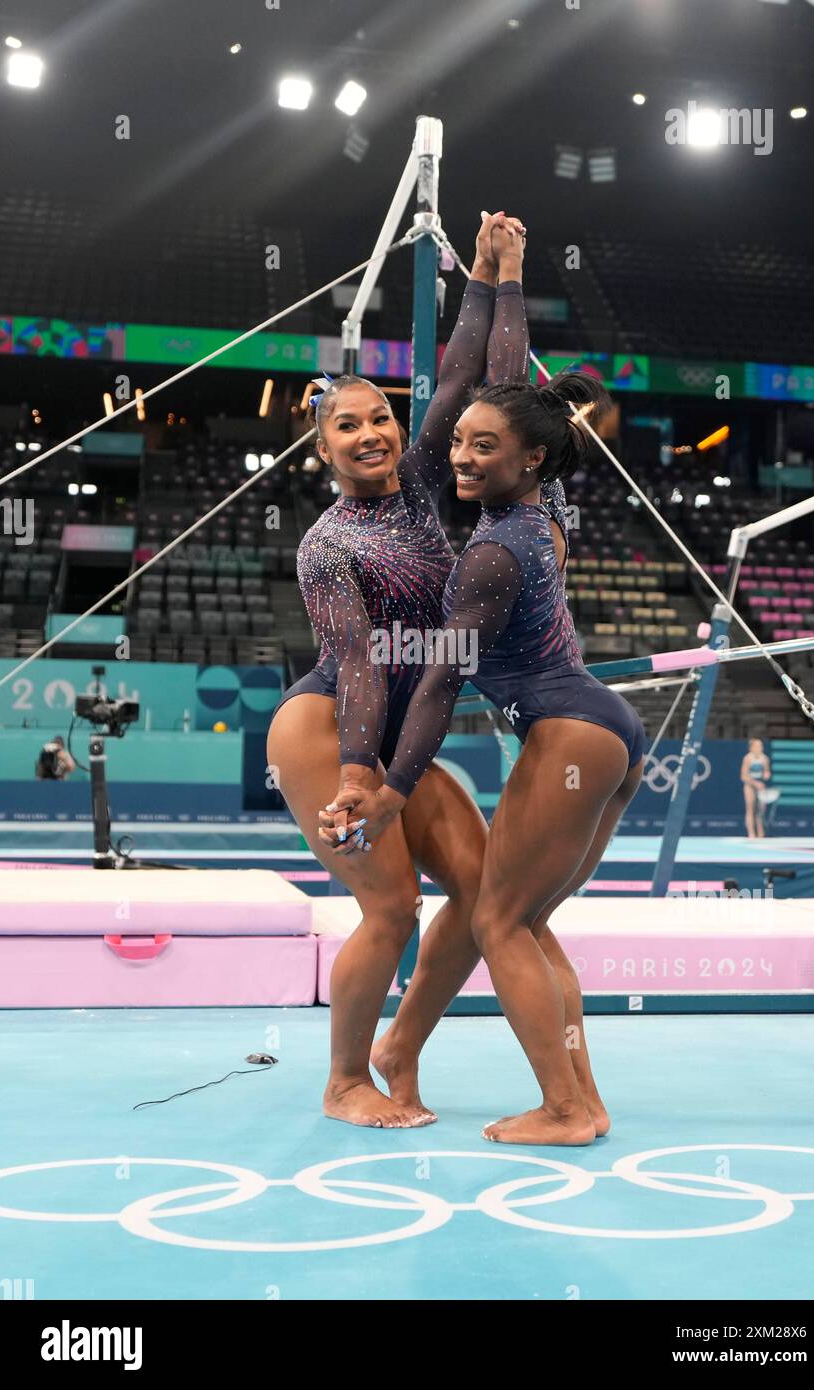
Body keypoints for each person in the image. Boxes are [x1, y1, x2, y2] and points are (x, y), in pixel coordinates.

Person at [267, 214, 595, 1132]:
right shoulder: (327, 547)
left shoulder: (419, 480)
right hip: (331, 723)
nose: (372, 434)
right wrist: (362, 778)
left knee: (490, 893)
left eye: (379, 418)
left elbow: (471, 381)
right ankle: (343, 1083)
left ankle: (398, 1049)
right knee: (394, 903)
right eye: (348, 427)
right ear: (322, 449)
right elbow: (366, 667)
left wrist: (490, 279)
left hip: (398, 725)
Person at [322, 367, 646, 1148]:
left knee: (499, 920)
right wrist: (504, 281)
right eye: (459, 441)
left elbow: (438, 682)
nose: (461, 458)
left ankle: (564, 1110)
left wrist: (393, 788)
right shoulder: (546, 509)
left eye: (484, 446)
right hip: (610, 732)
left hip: (567, 731)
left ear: (532, 455)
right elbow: (510, 388)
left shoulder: (490, 554)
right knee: (527, 922)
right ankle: (585, 1102)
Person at [740, 737, 771, 838]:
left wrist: (766, 775)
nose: (759, 747)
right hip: (749, 785)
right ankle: (751, 833)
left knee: (760, 811)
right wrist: (754, 783)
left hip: (760, 785)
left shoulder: (765, 759)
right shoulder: (748, 758)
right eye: (757, 746)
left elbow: (766, 772)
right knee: (750, 808)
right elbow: (743, 776)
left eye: (760, 746)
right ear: (751, 748)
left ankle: (761, 833)